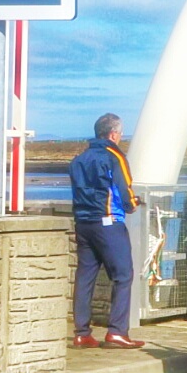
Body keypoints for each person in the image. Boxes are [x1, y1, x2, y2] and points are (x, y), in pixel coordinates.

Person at [68, 113, 144, 349]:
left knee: (85, 276)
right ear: (113, 134)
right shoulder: (114, 156)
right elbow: (123, 187)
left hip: (83, 222)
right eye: (120, 134)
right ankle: (117, 331)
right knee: (123, 275)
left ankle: (82, 332)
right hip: (108, 221)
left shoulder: (79, 159)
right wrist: (132, 204)